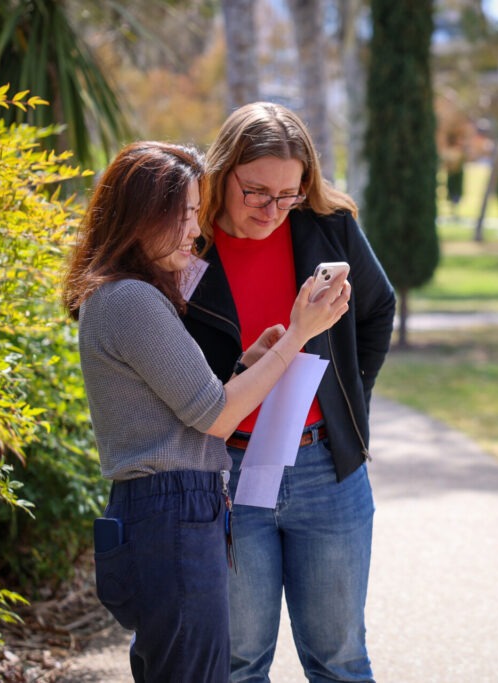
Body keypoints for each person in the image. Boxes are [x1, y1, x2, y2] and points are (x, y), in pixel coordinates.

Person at [63, 141, 349, 681]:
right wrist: (300, 335)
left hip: (165, 510)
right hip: (170, 514)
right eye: (185, 214)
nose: (196, 231)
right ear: (143, 216)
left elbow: (193, 403)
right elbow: (216, 417)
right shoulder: (133, 300)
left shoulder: (128, 297)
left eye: (197, 211)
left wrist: (249, 366)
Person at [181, 103, 397, 683]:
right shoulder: (185, 244)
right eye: (255, 192)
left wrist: (349, 400)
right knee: (238, 662)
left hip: (327, 468)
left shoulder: (329, 227)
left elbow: (378, 309)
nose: (272, 211)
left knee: (340, 661)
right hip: (224, 473)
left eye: (288, 195)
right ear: (221, 172)